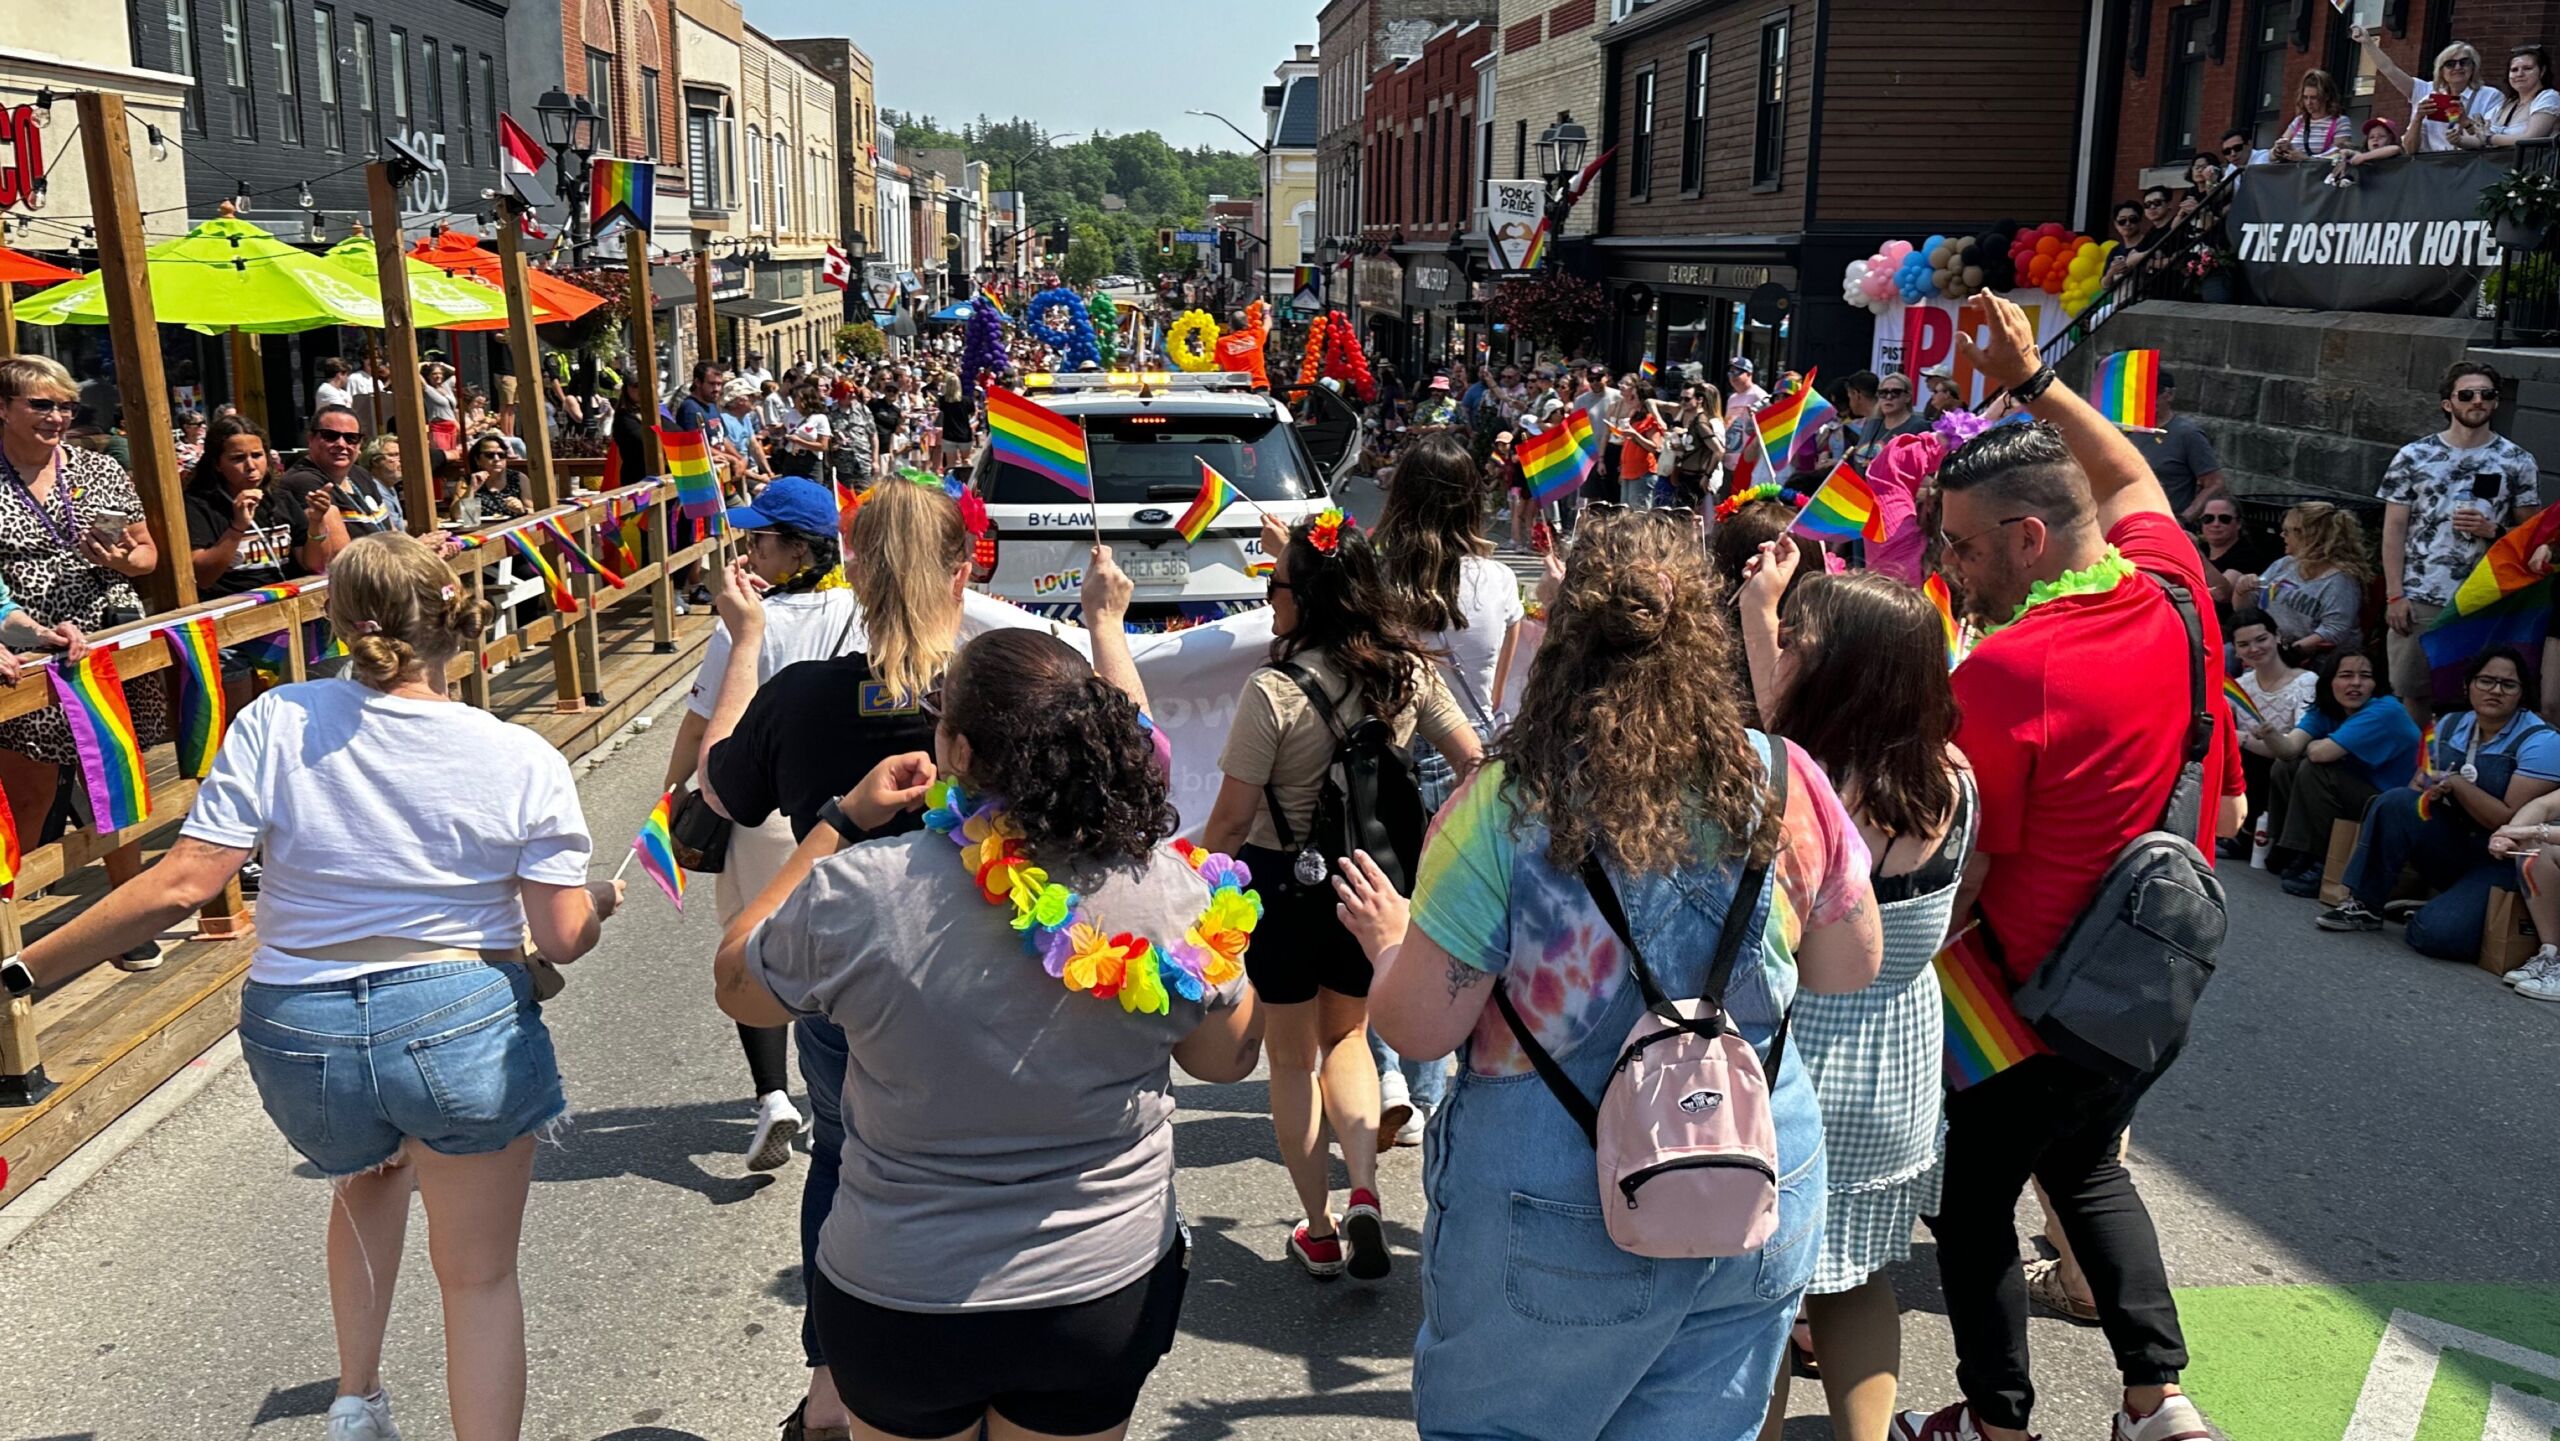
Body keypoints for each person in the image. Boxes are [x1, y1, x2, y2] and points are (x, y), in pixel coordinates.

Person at [3, 531, 622, 1441]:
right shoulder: (514, 754)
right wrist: (599, 898)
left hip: (303, 1025)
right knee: (478, 1275)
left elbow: (181, 883)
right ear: (452, 623)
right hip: (458, 1011)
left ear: (337, 624)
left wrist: (24, 967)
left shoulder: (278, 719)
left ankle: (356, 1401)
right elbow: (564, 936)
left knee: (364, 1184)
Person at [1328, 507, 1881, 1441]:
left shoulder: (1501, 806)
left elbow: (1420, 1030)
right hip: (1751, 1174)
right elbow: (1848, 961)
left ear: (1562, 636)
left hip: (1561, 1198)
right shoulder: (1783, 779)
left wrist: (1391, 942)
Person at [711, 626, 1260, 1441]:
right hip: (1098, 1292)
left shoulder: (863, 890)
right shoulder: (1172, 887)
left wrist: (837, 821)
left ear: (959, 749)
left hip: (900, 1297)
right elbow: (1227, 1057)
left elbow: (738, 986)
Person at [699, 481, 1152, 1440]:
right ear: (964, 571)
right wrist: (1105, 629)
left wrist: (745, 642)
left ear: (853, 569)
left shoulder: (805, 693)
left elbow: (723, 784)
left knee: (850, 1147)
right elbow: (1132, 763)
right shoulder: (1013, 695)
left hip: (842, 967)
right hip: (1030, 956)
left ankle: (840, 1374)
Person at [1896, 292, 2241, 1441]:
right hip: (2152, 976)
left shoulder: (2004, 671)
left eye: (1959, 545)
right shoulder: (2172, 585)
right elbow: (2132, 480)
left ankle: (1997, 1426)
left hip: (2022, 1005)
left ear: (2028, 541)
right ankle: (2157, 1400)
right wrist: (2035, 379)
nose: (1948, 565)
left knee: (1973, 1201)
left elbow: (1970, 873)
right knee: (2087, 1165)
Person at [1200, 508, 1482, 1279]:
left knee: (1291, 1060)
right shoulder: (1409, 671)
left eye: (1276, 582)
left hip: (1282, 885)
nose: (1268, 596)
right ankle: (1365, 1188)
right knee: (1349, 1039)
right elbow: (1477, 764)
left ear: (1308, 597)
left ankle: (1320, 1226)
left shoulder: (1273, 691)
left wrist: (1186, 893)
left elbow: (1228, 821)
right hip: (1371, 885)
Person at [1740, 552, 1969, 1441]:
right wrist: (1761, 613)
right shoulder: (1954, 776)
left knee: (1760, 1290)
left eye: (1799, 642)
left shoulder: (1799, 782)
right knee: (1860, 1277)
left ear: (1839, 668)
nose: (1784, 651)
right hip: (1902, 1063)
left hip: (1804, 1059)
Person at [661, 477, 857, 1178]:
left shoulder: (744, 625)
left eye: (761, 539)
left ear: (796, 550)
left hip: (758, 806)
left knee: (754, 946)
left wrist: (670, 790)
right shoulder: (860, 610)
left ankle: (774, 1093)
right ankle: (849, 1081)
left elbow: (702, 726)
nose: (750, 549)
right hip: (843, 800)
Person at [1368, 434, 1524, 1145]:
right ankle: (1432, 1081)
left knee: (1379, 910)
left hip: (1397, 753)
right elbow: (1494, 691)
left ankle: (1388, 1072)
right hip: (1475, 763)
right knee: (1450, 922)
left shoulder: (1374, 576)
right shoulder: (1497, 582)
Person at [0, 356, 171, 969]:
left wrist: (124, 560)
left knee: (114, 776)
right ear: (3, 408)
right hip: (28, 648)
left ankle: (127, 917)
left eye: (65, 405)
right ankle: (12, 931)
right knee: (30, 790)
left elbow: (148, 555)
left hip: (105, 638)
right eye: (40, 404)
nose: (56, 416)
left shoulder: (99, 469)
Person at [2322, 646, 2560, 949]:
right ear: (2468, 685)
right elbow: (2417, 786)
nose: (2495, 690)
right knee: (2396, 802)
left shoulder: (2543, 741)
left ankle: (2442, 908)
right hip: (2456, 841)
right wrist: (2426, 791)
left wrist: (2456, 784)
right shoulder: (2447, 724)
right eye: (2485, 681)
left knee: (2434, 936)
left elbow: (2507, 820)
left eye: (2508, 684)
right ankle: (2363, 904)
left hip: (2503, 858)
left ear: (2522, 693)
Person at [2382, 362, 2542, 728]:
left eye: (2487, 395)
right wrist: (2394, 594)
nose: (2477, 401)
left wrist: (2493, 529)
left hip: (2485, 596)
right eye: (2467, 394)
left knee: (2478, 693)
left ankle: (2463, 772)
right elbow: (2393, 529)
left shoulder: (2517, 460)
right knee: (2414, 691)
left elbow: (2530, 533)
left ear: (2496, 403)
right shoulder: (2413, 456)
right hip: (2421, 592)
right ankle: (2421, 775)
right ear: (2447, 403)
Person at [2259, 650, 2421, 898]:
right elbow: (2289, 749)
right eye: (2346, 675)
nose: (2355, 683)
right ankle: (2289, 849)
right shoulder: (2328, 707)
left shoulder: (2386, 710)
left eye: (2365, 676)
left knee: (2315, 769)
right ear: (2330, 682)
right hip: (2356, 793)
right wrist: (2270, 733)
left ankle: (2322, 861)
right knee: (2286, 767)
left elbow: (2319, 754)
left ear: (2376, 683)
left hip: (2388, 808)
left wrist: (2313, 746)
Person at [185, 415, 348, 597]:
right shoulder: (198, 505)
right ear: (217, 464)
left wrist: (317, 522)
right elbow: (202, 578)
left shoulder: (280, 497)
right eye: (238, 458)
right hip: (234, 611)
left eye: (257, 455)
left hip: (288, 606)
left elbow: (314, 564)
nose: (251, 466)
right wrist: (237, 528)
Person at [2225, 608, 2318, 861]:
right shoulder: (2240, 686)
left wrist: (2241, 738)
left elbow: (2293, 748)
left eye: (2261, 639)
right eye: (2244, 644)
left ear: (2277, 637)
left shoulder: (2307, 682)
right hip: (2251, 770)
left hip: (2287, 768)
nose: (2254, 648)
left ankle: (2250, 835)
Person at [2231, 500, 2371, 661]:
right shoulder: (2284, 564)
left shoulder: (2340, 581)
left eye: (2287, 531)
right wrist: (2241, 590)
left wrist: (2286, 653)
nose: (2282, 535)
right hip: (2267, 648)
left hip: (2311, 660)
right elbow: (2247, 610)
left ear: (2308, 536)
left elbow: (2334, 631)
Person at [2354, 27, 2497, 153]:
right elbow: (2389, 69)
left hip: (2471, 168)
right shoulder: (2425, 91)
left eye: (2464, 62)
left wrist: (2465, 122)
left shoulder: (2490, 96)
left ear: (2473, 67)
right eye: (2450, 64)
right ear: (2441, 71)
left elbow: (2492, 141)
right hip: (2430, 168)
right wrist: (2368, 43)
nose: (2458, 67)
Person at [283, 405, 405, 538]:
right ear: (310, 439)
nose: (341, 444)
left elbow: (391, 530)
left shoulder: (360, 474)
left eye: (351, 438)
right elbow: (340, 552)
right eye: (330, 436)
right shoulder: (304, 481)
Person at [2122, 369, 2225, 523]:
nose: (2145, 399)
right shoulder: (2129, 431)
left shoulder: (2187, 434)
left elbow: (2215, 483)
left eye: (2152, 393)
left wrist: (2184, 518)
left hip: (2165, 524)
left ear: (2169, 395)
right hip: (2129, 520)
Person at [2459, 45, 2560, 148]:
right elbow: (2479, 138)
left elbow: (2532, 138)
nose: (2519, 74)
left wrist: (2490, 139)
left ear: (2542, 71)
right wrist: (2460, 134)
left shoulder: (2548, 97)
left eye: (2527, 68)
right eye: (2514, 70)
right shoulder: (2507, 104)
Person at [2196, 494, 2278, 621]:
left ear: (2238, 523)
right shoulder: (2203, 547)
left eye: (2224, 519)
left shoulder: (2247, 554)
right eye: (2208, 518)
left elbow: (2222, 594)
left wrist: (2194, 553)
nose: (2216, 524)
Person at [1847, 372, 1930, 472]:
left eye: (1896, 392)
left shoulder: (1918, 426)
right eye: (1883, 393)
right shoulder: (1872, 424)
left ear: (1907, 397)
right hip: (1862, 485)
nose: (1889, 397)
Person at [2271, 70, 2356, 160]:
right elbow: (2271, 156)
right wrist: (2278, 150)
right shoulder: (2299, 121)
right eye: (2305, 97)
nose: (2308, 103)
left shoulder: (2340, 122)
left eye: (2314, 98)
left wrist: (2306, 159)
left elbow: (2338, 156)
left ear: (2326, 96)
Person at [1672, 380, 1727, 508]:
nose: (1682, 402)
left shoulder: (1703, 423)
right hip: (1686, 476)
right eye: (1681, 398)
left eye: (1687, 399)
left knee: (1693, 520)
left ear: (1700, 399)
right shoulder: (1696, 420)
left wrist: (1707, 476)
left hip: (1696, 479)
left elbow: (1719, 450)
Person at [1615, 376, 1667, 506]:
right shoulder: (1633, 416)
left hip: (1642, 473)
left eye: (1633, 397)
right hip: (1628, 472)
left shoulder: (1650, 419)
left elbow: (1656, 447)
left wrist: (1636, 435)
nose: (1629, 399)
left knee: (1639, 516)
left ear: (1643, 400)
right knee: (1626, 514)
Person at [934, 376, 974, 472]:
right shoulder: (967, 400)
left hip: (949, 435)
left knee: (950, 464)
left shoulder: (943, 400)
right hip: (964, 434)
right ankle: (968, 481)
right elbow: (972, 413)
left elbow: (939, 409)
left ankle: (950, 484)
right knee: (966, 460)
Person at [1727, 356, 1769, 427]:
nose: (1732, 376)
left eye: (1736, 372)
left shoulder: (1759, 395)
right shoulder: (1732, 398)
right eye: (1730, 372)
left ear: (1749, 374)